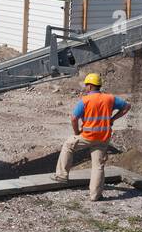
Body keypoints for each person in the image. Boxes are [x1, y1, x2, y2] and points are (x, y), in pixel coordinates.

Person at [55, 72, 130, 201]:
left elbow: (74, 118)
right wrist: (112, 119)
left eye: (86, 85)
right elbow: (127, 106)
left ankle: (62, 175)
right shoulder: (110, 98)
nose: (85, 87)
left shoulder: (85, 100)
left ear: (89, 86)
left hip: (88, 136)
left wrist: (76, 132)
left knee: (68, 145)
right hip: (103, 138)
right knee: (98, 166)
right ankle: (95, 195)